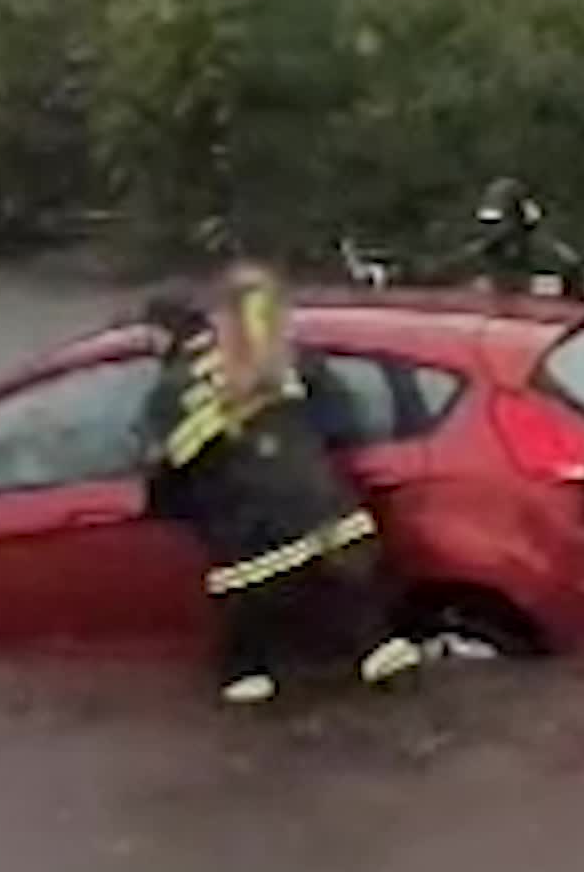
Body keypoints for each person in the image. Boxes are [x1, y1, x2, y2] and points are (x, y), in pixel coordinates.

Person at [136, 266, 422, 704]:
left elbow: (163, 484)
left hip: (253, 559)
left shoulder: (169, 394)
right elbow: (345, 426)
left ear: (161, 336)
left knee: (246, 691)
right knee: (381, 661)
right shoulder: (290, 360)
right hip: (338, 533)